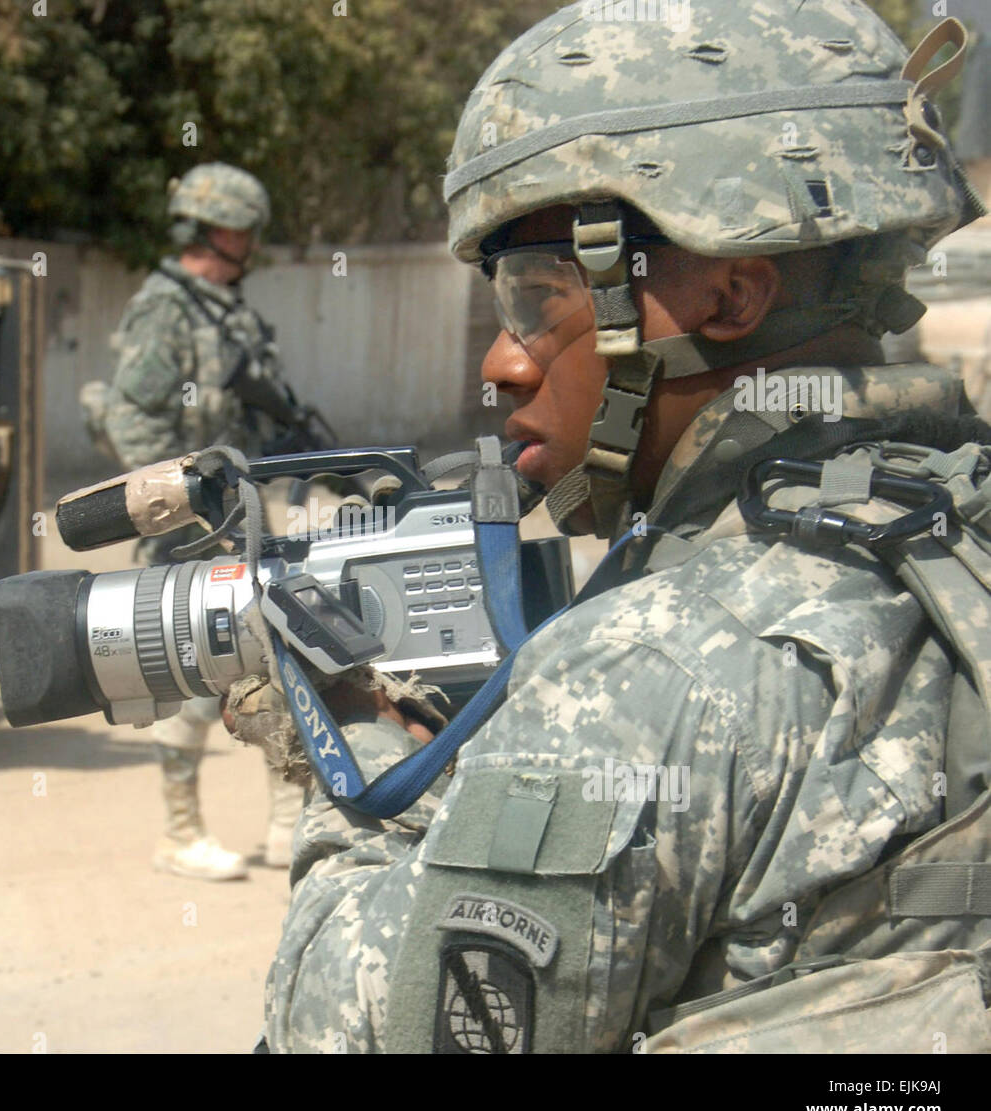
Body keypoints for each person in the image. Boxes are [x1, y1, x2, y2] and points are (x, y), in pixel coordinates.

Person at [229, 1, 991, 1052]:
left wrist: (355, 766)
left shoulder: (652, 668)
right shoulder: (956, 532)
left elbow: (360, 1034)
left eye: (537, 297)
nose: (502, 362)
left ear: (727, 296)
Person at [81, 162, 302, 881]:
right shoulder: (165, 309)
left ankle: (287, 822)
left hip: (243, 522)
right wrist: (181, 495)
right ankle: (180, 833)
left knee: (274, 659)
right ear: (216, 228)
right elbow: (130, 417)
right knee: (187, 675)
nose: (252, 241)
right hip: (186, 530)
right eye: (244, 228)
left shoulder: (228, 307)